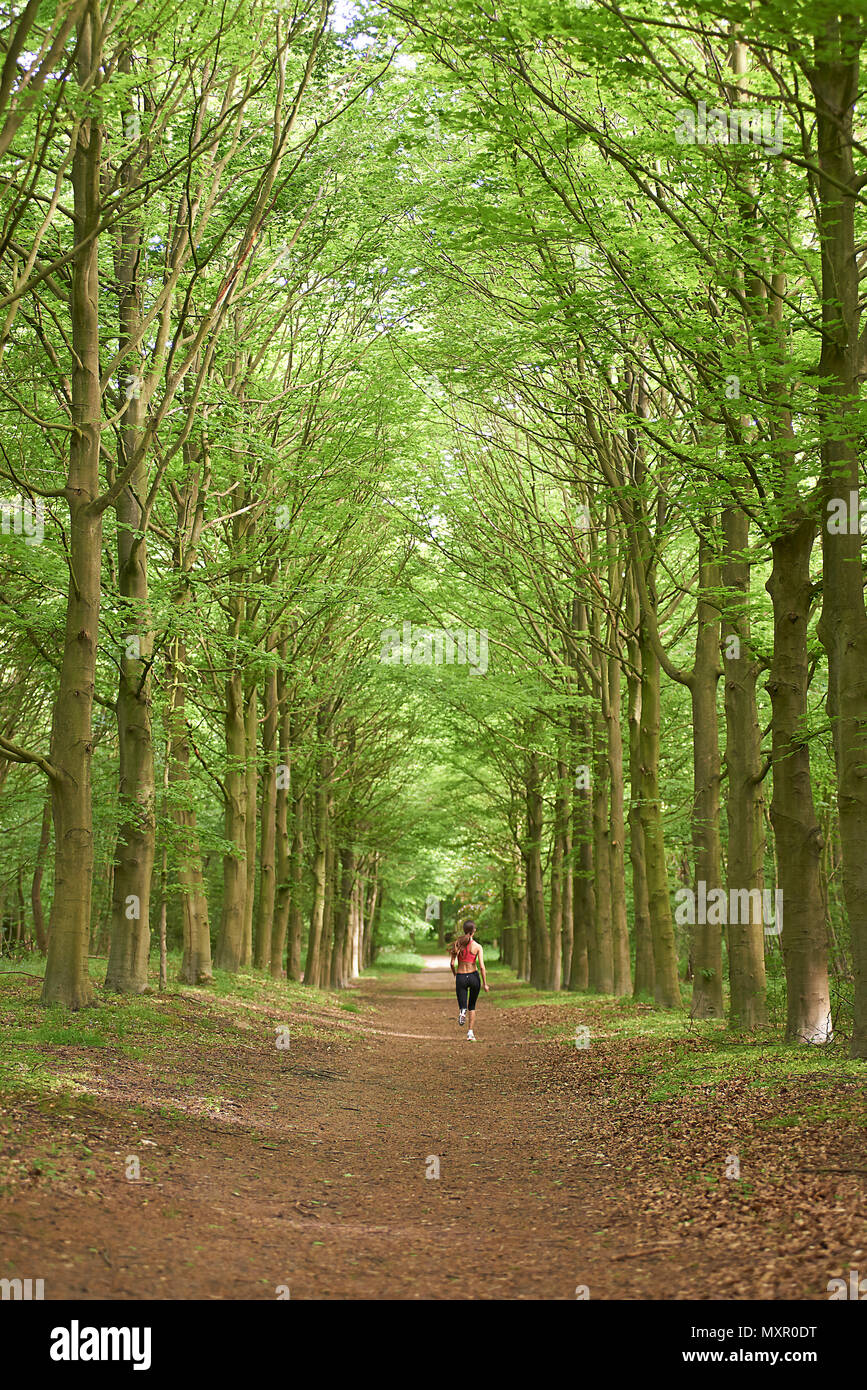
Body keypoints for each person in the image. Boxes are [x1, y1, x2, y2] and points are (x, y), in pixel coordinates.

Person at [449, 920, 489, 1041]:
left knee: (463, 1004)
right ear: (474, 931)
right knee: (472, 1005)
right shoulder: (477, 947)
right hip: (473, 977)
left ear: (464, 930)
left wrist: (455, 974)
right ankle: (470, 1033)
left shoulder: (457, 944)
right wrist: (485, 984)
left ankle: (462, 1012)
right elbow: (482, 966)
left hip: (461, 976)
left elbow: (451, 963)